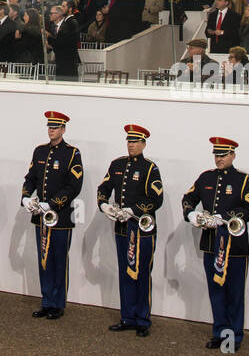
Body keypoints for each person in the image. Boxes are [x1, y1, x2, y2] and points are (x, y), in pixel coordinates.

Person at [182, 137, 249, 351]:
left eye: (223, 155)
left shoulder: (244, 180)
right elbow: (188, 198)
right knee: (216, 291)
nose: (219, 158)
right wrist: (191, 214)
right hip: (211, 244)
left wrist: (224, 217)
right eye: (216, 155)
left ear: (233, 155)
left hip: (235, 247)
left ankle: (234, 337)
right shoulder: (205, 177)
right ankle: (220, 332)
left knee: (234, 293)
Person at [97, 123, 163, 337]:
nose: (131, 145)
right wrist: (104, 204)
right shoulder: (116, 164)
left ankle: (143, 319)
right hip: (123, 228)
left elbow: (156, 198)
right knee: (125, 272)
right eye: (129, 141)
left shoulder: (150, 168)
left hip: (142, 228)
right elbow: (104, 187)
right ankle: (127, 316)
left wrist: (132, 210)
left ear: (144, 144)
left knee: (142, 273)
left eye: (135, 141)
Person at [21, 111, 83, 320]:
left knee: (59, 260)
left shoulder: (72, 153)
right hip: (41, 216)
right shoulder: (39, 151)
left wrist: (53, 204)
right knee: (44, 259)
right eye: (50, 127)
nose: (52, 130)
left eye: (55, 127)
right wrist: (26, 197)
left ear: (63, 129)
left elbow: (74, 186)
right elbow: (31, 178)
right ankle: (46, 300)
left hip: (62, 217)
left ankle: (58, 303)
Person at [45, 3, 80, 79]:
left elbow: (63, 42)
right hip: (59, 61)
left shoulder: (69, 23)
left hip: (68, 61)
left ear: (58, 14)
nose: (49, 15)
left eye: (51, 13)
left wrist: (49, 37)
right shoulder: (52, 26)